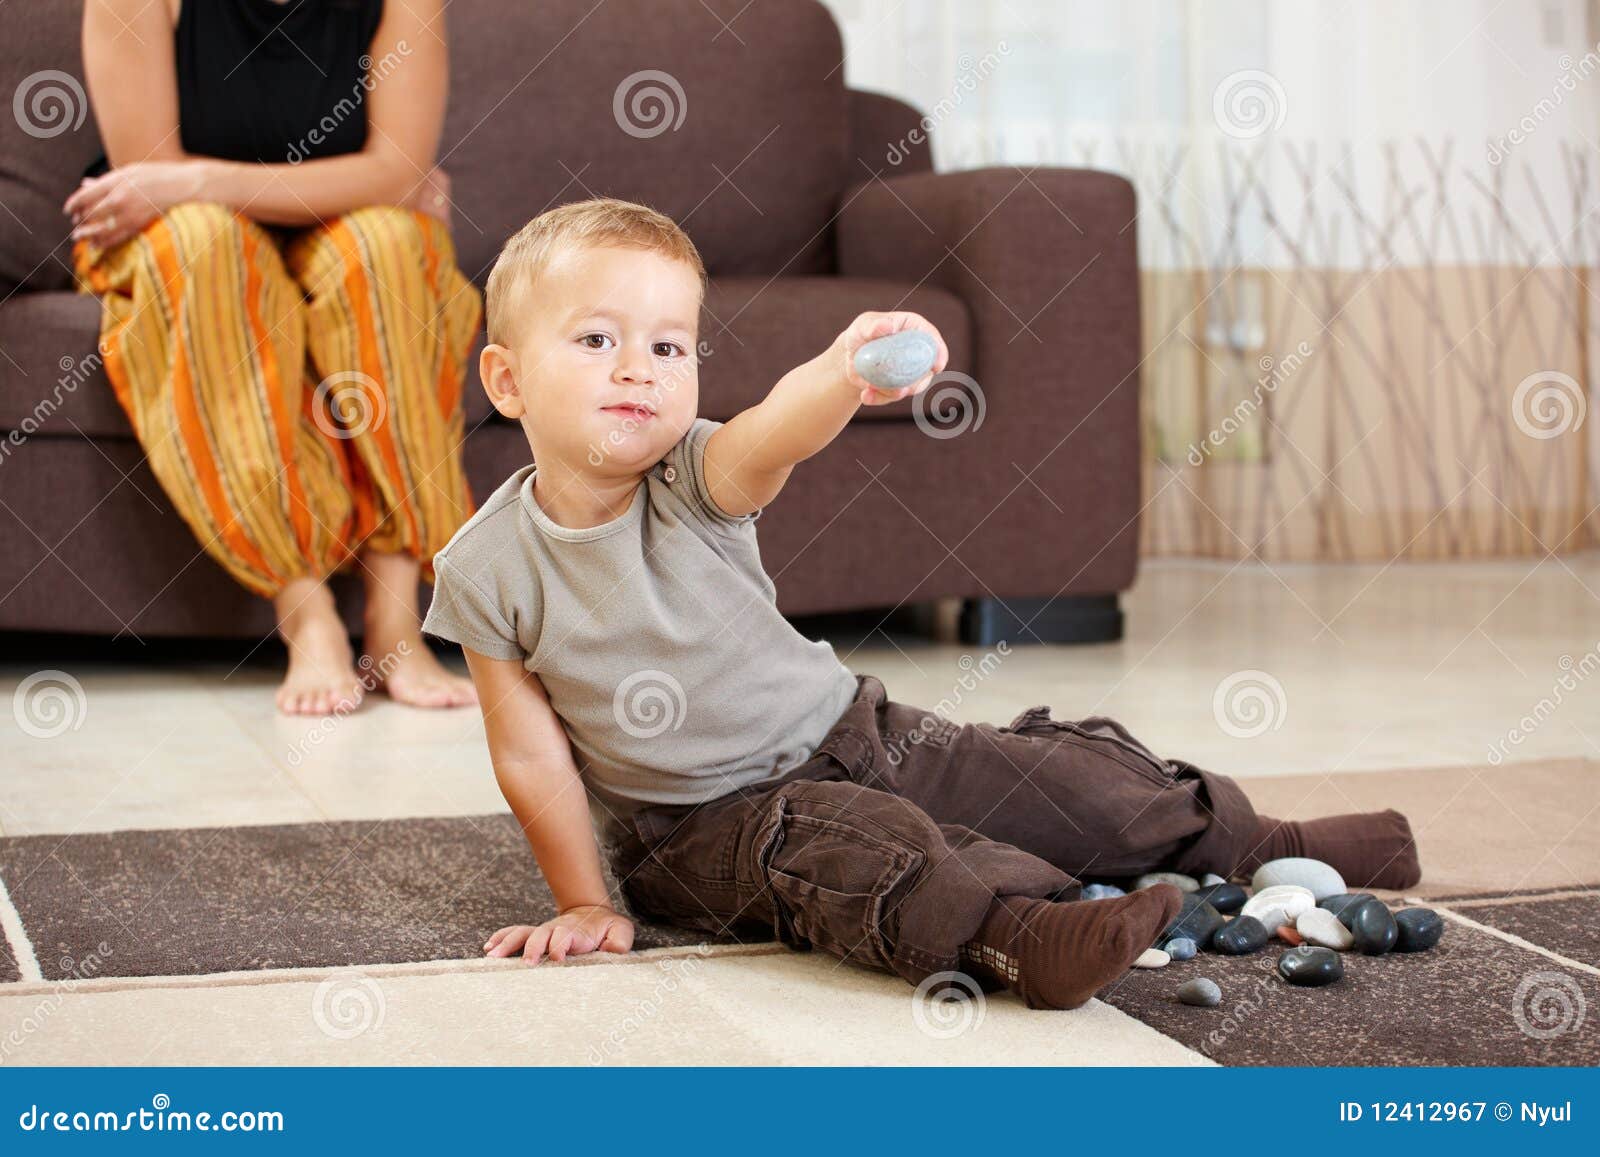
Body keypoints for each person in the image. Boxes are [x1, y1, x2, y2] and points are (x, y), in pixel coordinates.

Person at [420, 197, 1423, 1009]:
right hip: (698, 830)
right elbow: (530, 752)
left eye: (669, 347)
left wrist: (843, 370)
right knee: (862, 850)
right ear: (505, 380)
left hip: (853, 726)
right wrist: (584, 898)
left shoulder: (692, 475)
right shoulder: (485, 567)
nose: (638, 365)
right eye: (596, 338)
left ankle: (1254, 841)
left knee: (1052, 780)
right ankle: (1019, 938)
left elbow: (773, 433)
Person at [69, 0, 479, 715]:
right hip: (183, 239)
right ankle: (306, 611)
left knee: (394, 246)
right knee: (205, 244)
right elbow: (149, 187)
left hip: (328, 230)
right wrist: (198, 192)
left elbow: (396, 176)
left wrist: (200, 179)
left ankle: (395, 618)